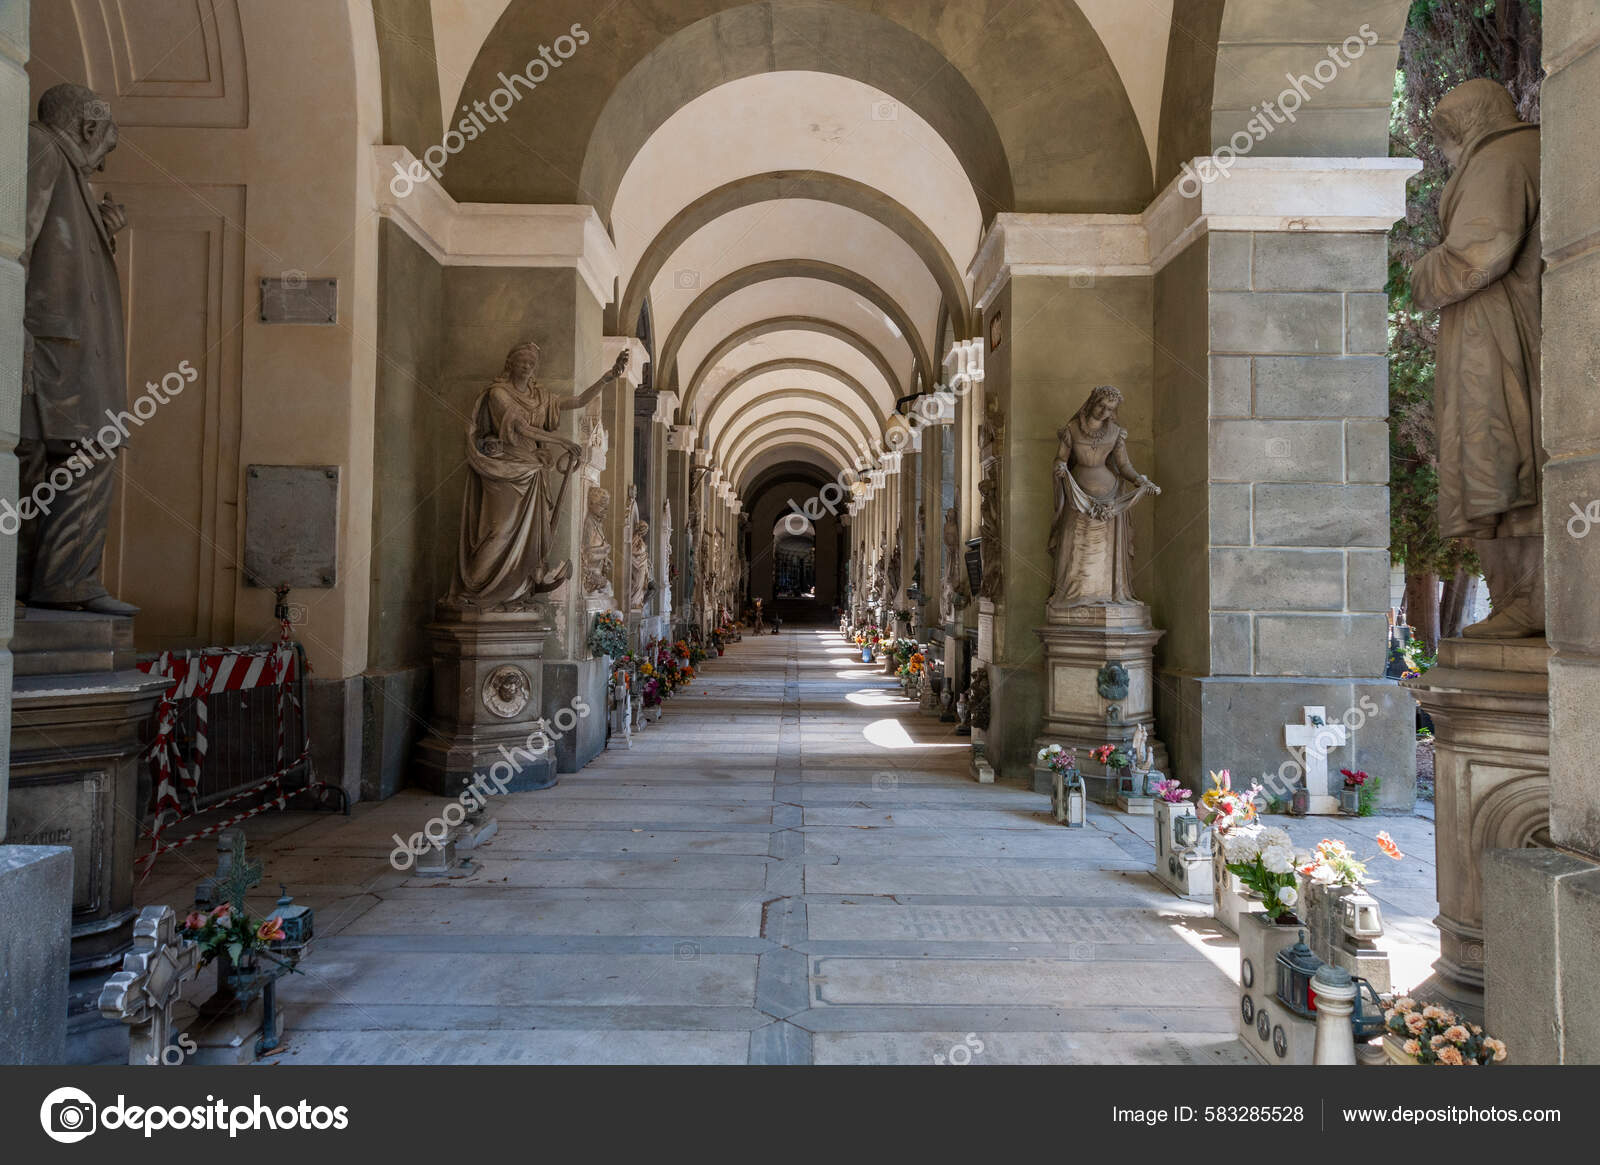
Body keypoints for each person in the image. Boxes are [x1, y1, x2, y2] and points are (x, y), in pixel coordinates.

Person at [1411, 79, 1543, 638]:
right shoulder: (1522, 152)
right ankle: (1523, 598)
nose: (1445, 152)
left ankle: (1530, 598)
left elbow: (1474, 256)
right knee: (1501, 461)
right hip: (1496, 333)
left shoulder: (1501, 158)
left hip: (1494, 341)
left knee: (1499, 458)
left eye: (1444, 140)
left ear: (1463, 127)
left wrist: (1418, 276)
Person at [19, 84, 137, 614]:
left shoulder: (62, 167)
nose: (104, 157)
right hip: (50, 357)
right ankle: (65, 582)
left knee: (44, 468)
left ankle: (34, 584)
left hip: (57, 355)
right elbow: (12, 245)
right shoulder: (42, 149)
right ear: (89, 128)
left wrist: (102, 233)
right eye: (107, 144)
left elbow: (53, 254)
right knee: (87, 456)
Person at [450, 342, 628, 607]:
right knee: (499, 531)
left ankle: (517, 591)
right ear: (509, 363)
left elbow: (578, 401)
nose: (527, 366)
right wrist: (562, 441)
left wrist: (607, 378)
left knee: (534, 535)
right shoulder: (498, 394)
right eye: (522, 361)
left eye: (531, 363)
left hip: (534, 471)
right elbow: (520, 428)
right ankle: (475, 591)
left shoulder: (540, 397)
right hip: (505, 469)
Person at [1046, 385, 1159, 610]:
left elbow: (1124, 465)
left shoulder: (1115, 433)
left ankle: (1105, 595)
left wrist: (1140, 481)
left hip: (1110, 498)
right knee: (1075, 547)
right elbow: (1061, 458)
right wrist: (1059, 466)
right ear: (1092, 402)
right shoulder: (1072, 429)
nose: (1103, 412)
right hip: (1077, 496)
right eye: (1101, 405)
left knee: (1106, 552)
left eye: (1109, 409)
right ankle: (1074, 598)